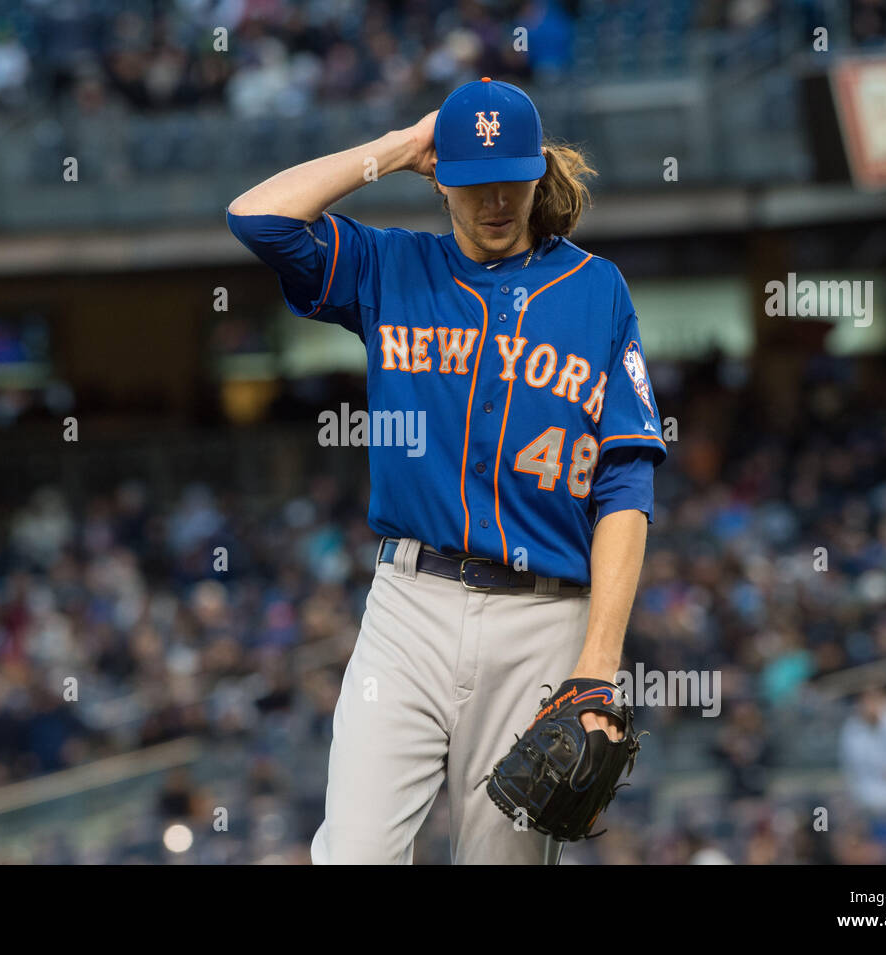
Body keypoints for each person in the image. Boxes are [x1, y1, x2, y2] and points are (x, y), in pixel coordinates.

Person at [227, 77, 666, 864]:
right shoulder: (391, 269)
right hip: (410, 608)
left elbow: (626, 482)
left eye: (511, 178)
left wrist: (598, 664)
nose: (495, 199)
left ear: (538, 172)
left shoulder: (597, 290)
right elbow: (257, 217)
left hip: (545, 619)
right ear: (440, 178)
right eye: (471, 181)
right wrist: (396, 149)